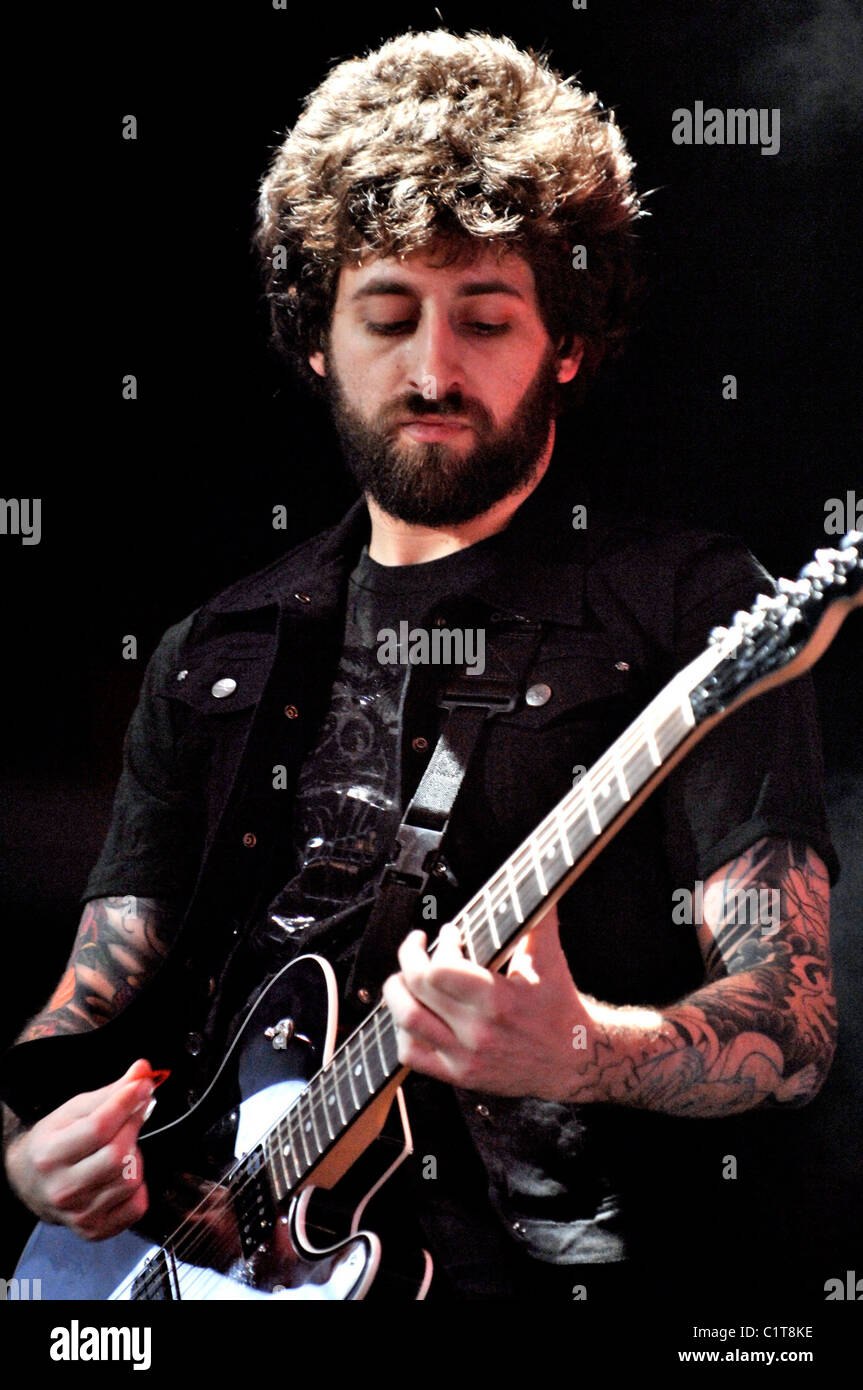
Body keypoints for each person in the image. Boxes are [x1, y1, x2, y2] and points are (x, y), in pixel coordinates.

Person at [1, 29, 839, 1302]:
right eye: (386, 316)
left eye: (485, 319)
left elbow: (792, 1021)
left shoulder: (689, 607)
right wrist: (28, 1154)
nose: (433, 369)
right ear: (316, 342)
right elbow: (78, 1020)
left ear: (566, 342)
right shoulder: (215, 651)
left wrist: (583, 1051)